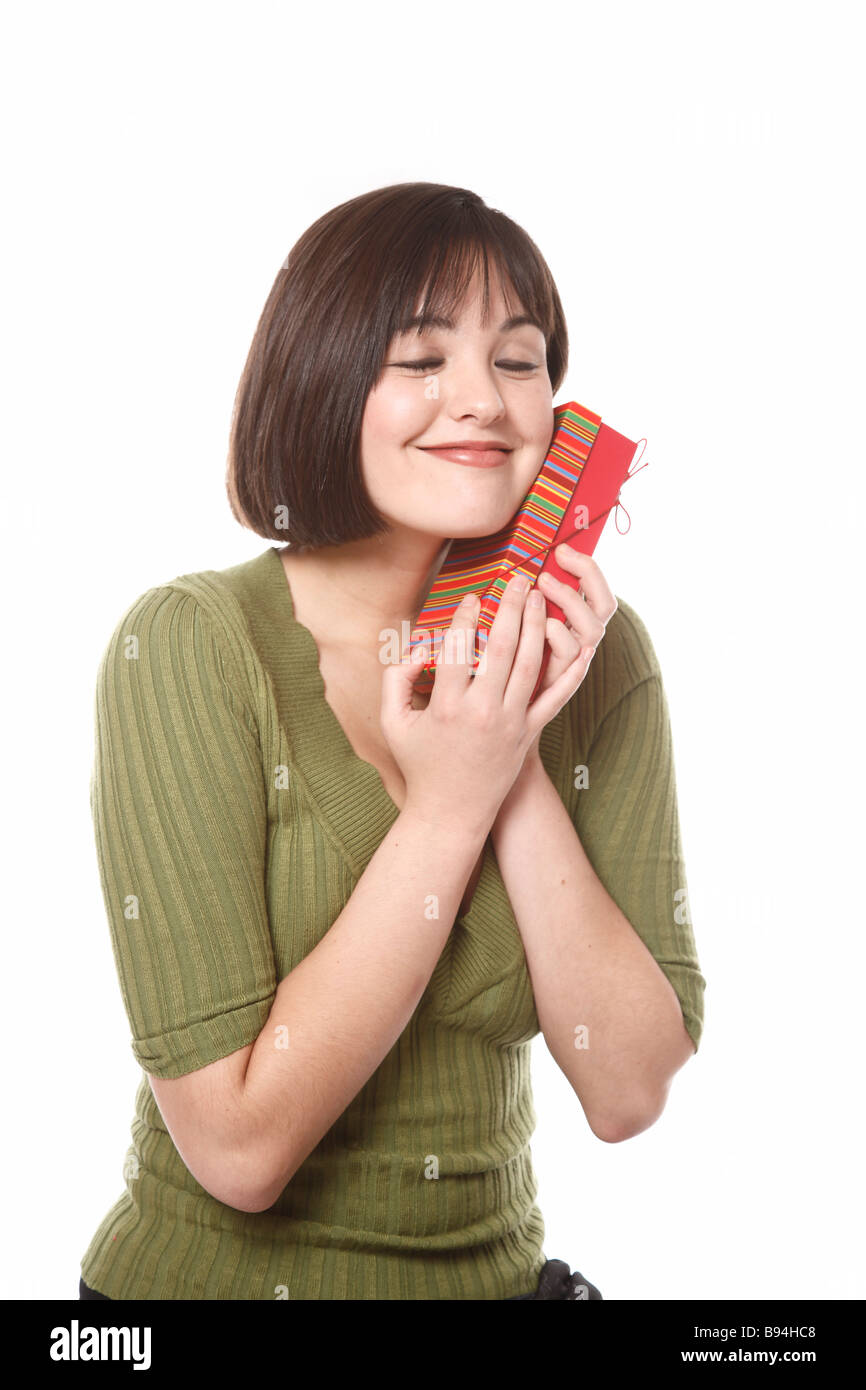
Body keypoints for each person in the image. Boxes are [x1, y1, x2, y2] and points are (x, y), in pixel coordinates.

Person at [79, 181, 705, 1301]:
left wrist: (505, 745)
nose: (482, 400)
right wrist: (447, 801)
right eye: (420, 360)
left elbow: (625, 1089)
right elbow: (237, 1151)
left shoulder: (599, 656)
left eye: (518, 361)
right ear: (320, 377)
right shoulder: (188, 647)